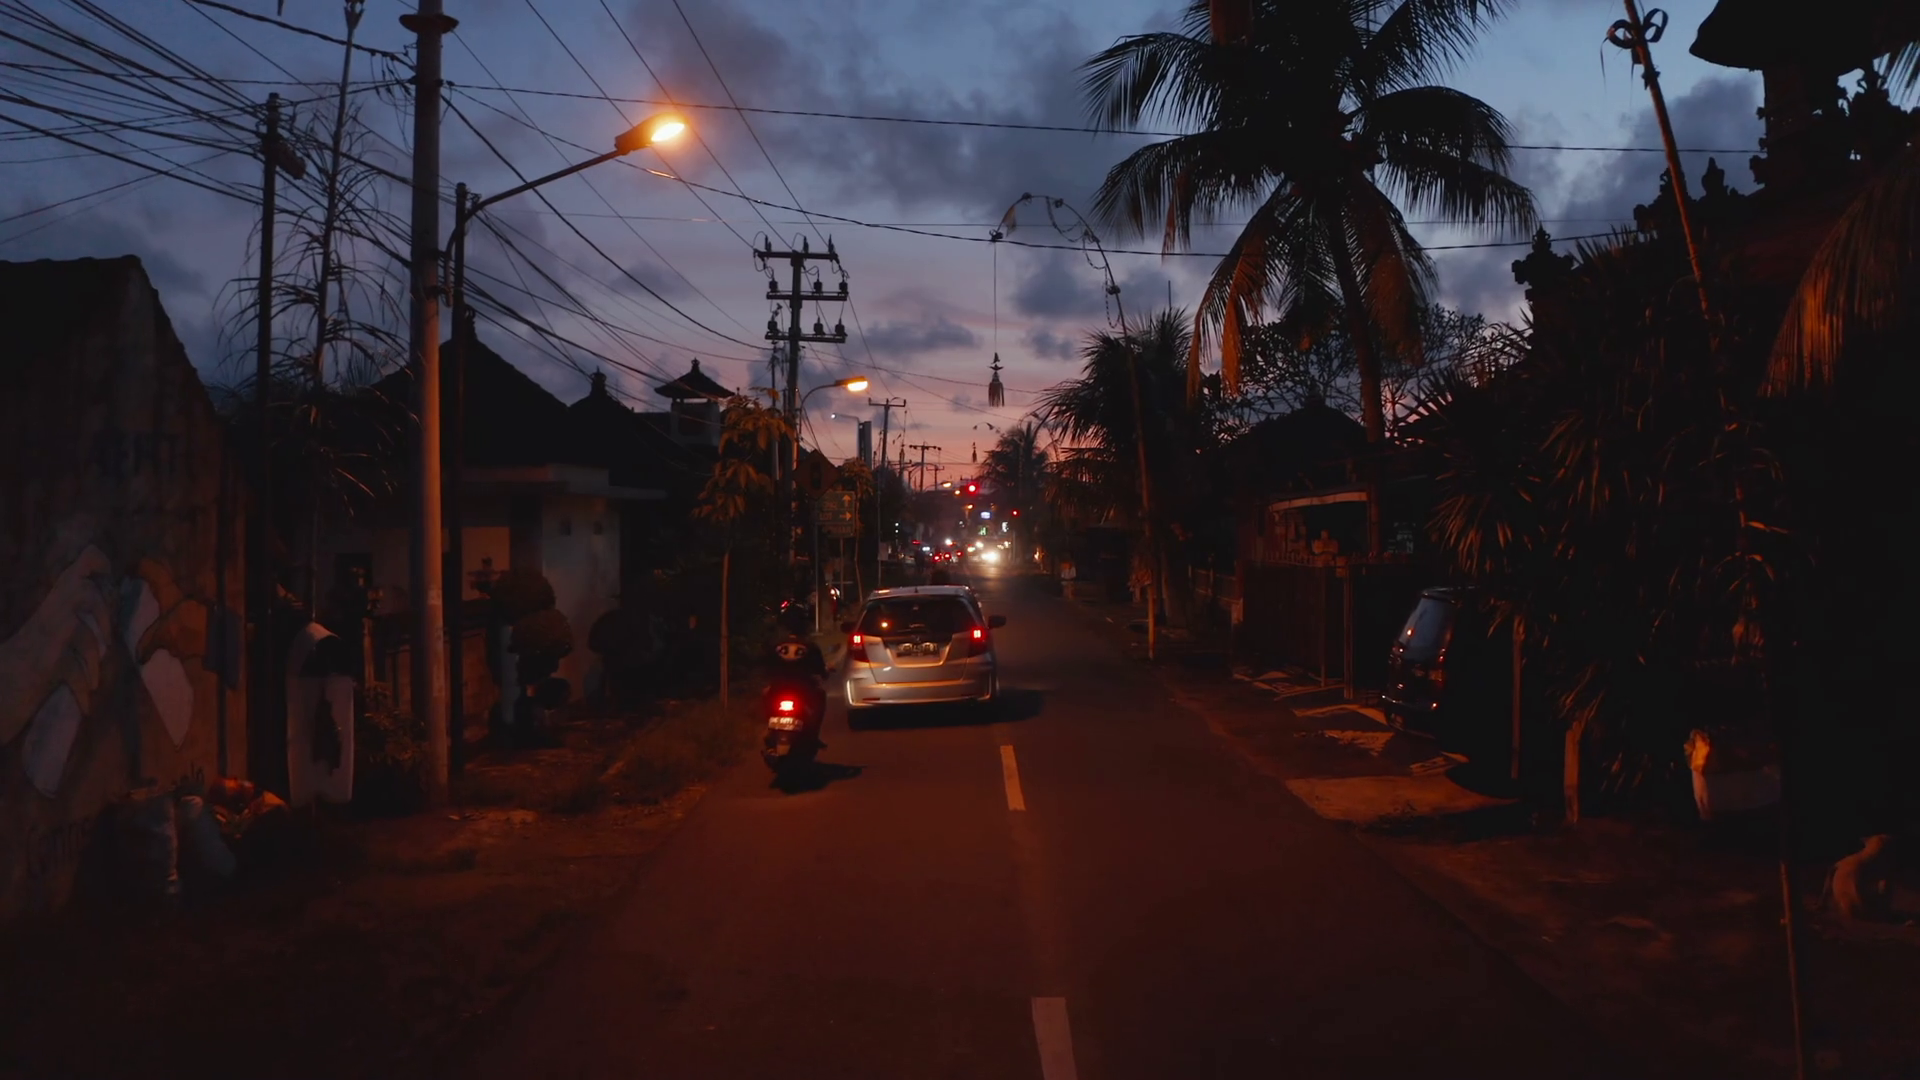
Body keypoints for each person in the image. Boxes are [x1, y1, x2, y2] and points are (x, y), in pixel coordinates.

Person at [766, 607, 828, 740]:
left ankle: (769, 730)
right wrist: (823, 674)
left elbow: (767, 664)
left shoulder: (776, 644)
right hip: (803, 688)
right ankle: (813, 735)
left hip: (779, 686)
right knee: (820, 696)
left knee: (766, 698)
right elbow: (819, 667)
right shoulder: (810, 646)